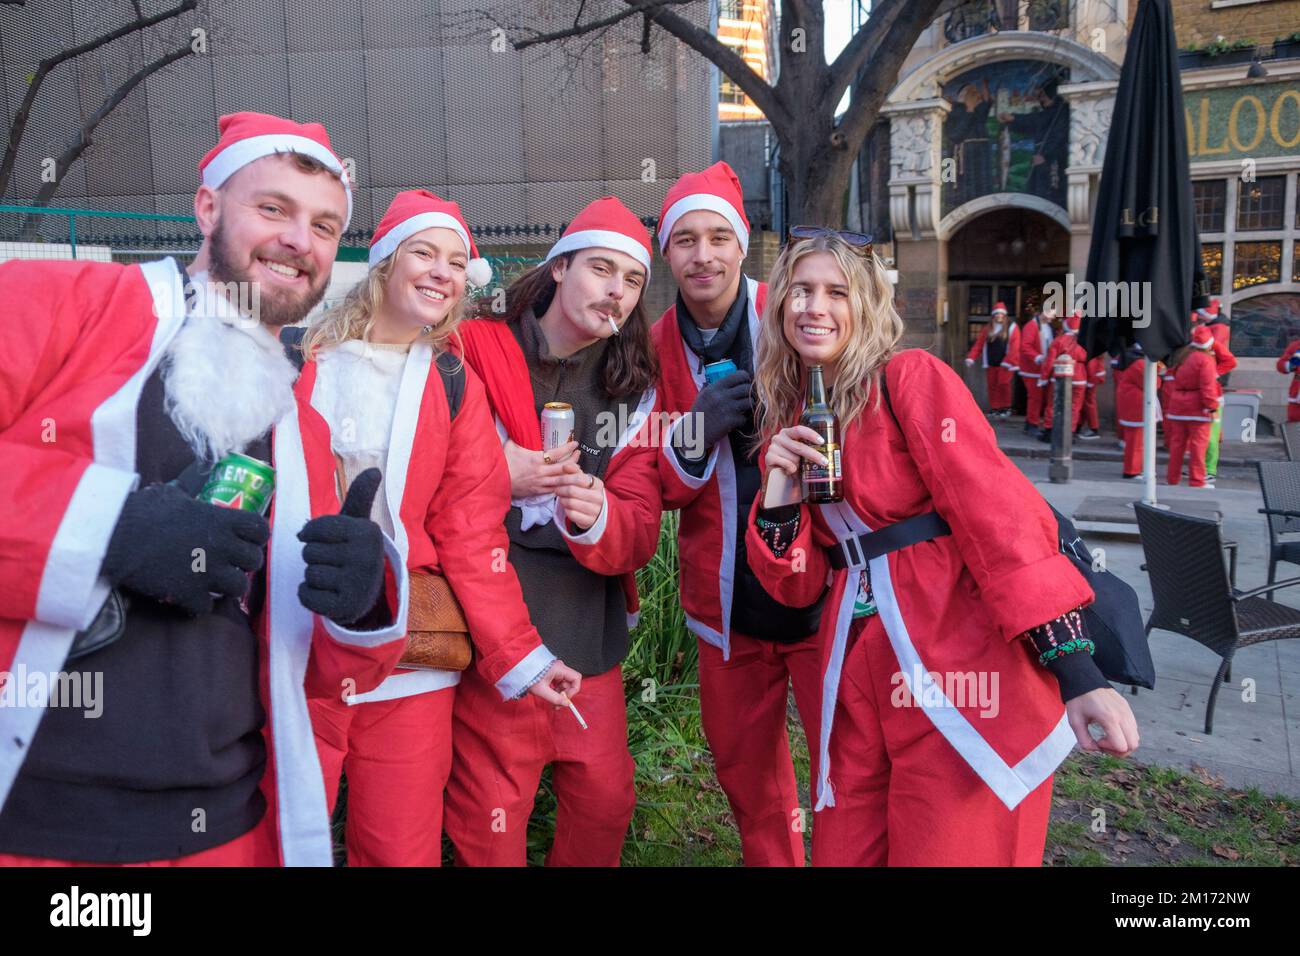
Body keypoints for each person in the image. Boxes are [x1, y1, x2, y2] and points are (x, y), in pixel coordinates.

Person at [0, 112, 412, 867]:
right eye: (273, 209)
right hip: (39, 826)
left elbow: (305, 663)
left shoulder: (306, 426)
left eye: (324, 225)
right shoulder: (61, 301)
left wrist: (364, 602)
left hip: (228, 829)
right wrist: (112, 529)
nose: (300, 241)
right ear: (207, 206)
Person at [744, 231, 1138, 866]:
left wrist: (1077, 672)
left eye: (836, 292)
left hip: (954, 655)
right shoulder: (789, 419)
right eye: (800, 290)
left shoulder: (910, 378)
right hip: (854, 673)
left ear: (866, 303)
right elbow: (796, 587)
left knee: (954, 848)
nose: (814, 306)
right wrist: (780, 498)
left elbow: (999, 517)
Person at [296, 190, 583, 866]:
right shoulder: (299, 364)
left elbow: (473, 533)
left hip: (410, 655)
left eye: (457, 262)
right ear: (385, 263)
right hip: (298, 645)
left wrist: (521, 655)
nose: (441, 272)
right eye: (425, 252)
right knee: (288, 834)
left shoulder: (452, 382)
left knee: (400, 849)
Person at [444, 197, 663, 866]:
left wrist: (600, 514)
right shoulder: (469, 348)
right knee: (491, 814)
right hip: (490, 616)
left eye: (632, 281)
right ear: (560, 266)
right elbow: (419, 468)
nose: (616, 291)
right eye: (601, 269)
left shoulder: (635, 392)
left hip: (584, 623)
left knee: (605, 799)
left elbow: (642, 521)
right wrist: (492, 471)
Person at [652, 165, 824, 866]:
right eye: (686, 240)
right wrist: (693, 432)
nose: (704, 255)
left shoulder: (797, 312)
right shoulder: (654, 343)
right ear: (666, 253)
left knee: (847, 764)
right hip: (725, 603)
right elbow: (652, 485)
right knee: (746, 774)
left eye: (720, 236)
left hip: (821, 588)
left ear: (743, 243)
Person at [1164, 326, 1220, 489]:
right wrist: (1211, 406)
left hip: (1178, 406)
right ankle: (1197, 481)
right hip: (1197, 408)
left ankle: (1172, 479)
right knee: (1198, 447)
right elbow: (1207, 386)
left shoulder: (1183, 356)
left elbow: (1174, 376)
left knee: (1177, 445)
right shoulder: (1206, 360)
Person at [1193, 302, 1236, 482]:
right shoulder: (1194, 344)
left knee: (1210, 436)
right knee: (1199, 436)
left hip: (1213, 394)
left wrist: (1214, 374)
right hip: (1199, 393)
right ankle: (1199, 469)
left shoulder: (1216, 338)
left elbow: (1230, 361)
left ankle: (1209, 470)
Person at [1038, 311, 1087, 443]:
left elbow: (1050, 362)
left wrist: (1043, 378)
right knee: (1075, 407)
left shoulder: (1059, 341)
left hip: (1059, 376)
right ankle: (1069, 434)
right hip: (1080, 378)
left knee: (1053, 404)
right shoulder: (1085, 341)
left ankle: (1049, 431)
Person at [964, 301, 1016, 417]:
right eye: (997, 314)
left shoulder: (1012, 328)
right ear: (993, 316)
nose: (999, 316)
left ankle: (1006, 407)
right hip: (992, 362)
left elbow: (1015, 346)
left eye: (1001, 314)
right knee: (992, 385)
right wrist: (971, 357)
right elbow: (979, 344)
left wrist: (1008, 361)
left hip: (1006, 363)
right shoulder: (988, 329)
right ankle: (995, 407)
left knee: (1004, 385)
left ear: (1005, 315)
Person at [1018, 302, 1056, 436]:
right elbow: (1025, 347)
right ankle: (1032, 424)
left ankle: (1031, 423)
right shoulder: (1031, 326)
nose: (1054, 316)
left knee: (1038, 398)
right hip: (1032, 369)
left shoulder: (1048, 326)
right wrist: (1039, 357)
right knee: (1035, 398)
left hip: (1042, 368)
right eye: (1052, 313)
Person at [1112, 344, 1149, 479]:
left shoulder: (1132, 362)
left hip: (1131, 404)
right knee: (1136, 441)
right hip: (1136, 406)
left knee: (1135, 441)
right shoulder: (1139, 364)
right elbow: (1152, 383)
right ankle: (1132, 470)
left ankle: (1135, 468)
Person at [1277, 338, 1300, 423]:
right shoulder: (1296, 346)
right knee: (1295, 421)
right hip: (1297, 394)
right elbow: (1281, 366)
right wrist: (1293, 364)